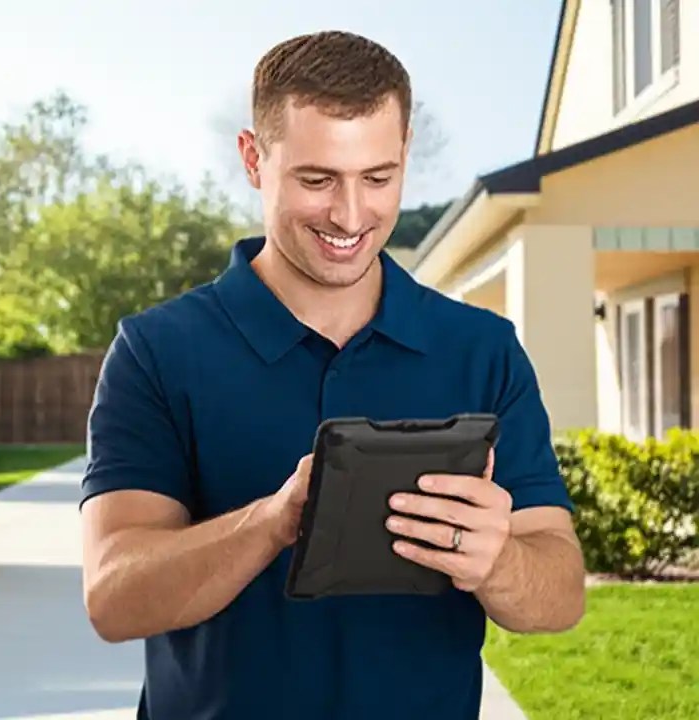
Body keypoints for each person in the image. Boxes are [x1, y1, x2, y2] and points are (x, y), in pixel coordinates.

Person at [78, 30, 586, 720]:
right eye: (317, 180)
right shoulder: (157, 351)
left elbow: (562, 595)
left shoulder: (483, 350)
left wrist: (499, 563)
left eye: (378, 178)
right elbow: (112, 598)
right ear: (254, 159)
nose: (351, 215)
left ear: (405, 153)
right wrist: (274, 522)